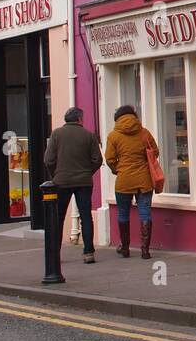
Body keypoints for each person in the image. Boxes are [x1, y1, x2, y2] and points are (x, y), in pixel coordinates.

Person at [44, 106, 104, 264]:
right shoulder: (89, 136)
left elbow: (48, 159)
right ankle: (88, 252)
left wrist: (56, 174)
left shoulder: (56, 134)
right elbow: (98, 160)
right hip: (84, 182)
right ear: (79, 119)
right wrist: (87, 172)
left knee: (58, 217)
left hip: (61, 181)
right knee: (85, 216)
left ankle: (55, 253)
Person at [104, 105, 158, 259]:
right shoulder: (144, 133)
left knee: (123, 213)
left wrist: (118, 169)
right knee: (145, 213)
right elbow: (155, 152)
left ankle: (125, 248)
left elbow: (109, 159)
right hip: (144, 180)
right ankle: (145, 250)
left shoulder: (113, 136)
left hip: (124, 180)